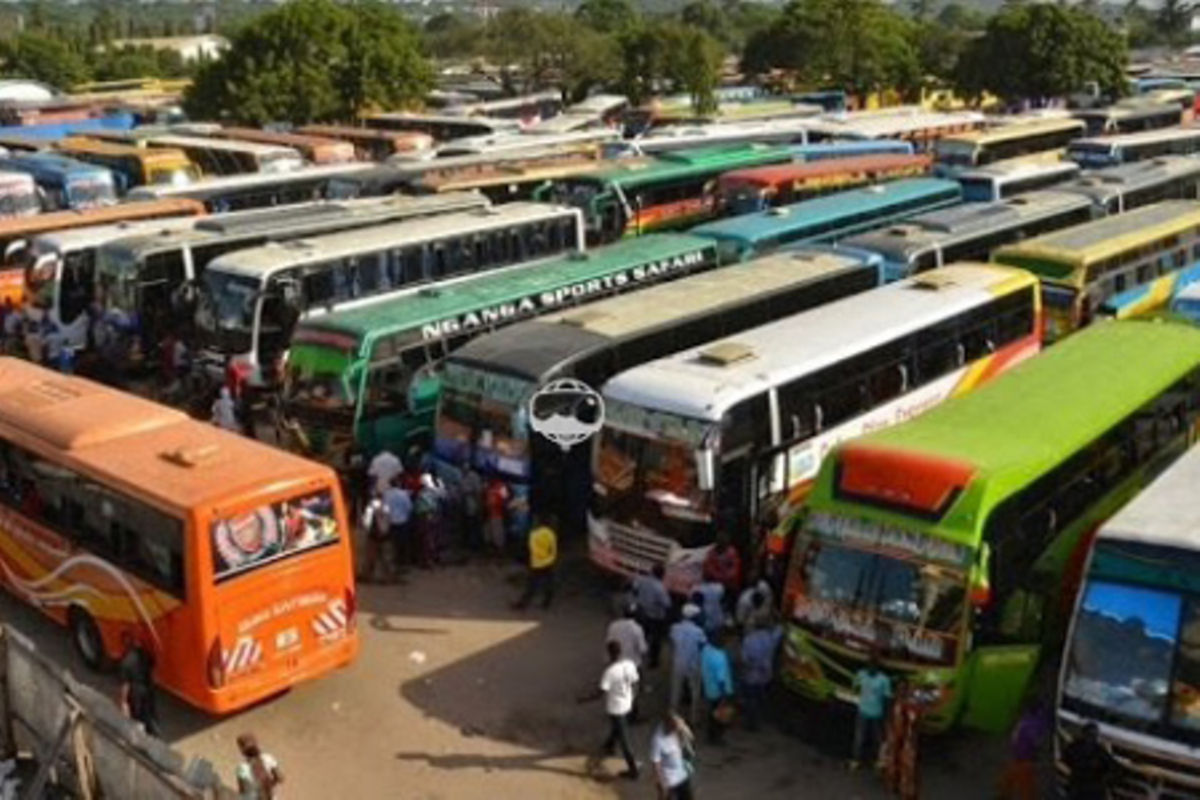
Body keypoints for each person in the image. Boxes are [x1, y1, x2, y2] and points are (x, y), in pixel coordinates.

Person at [597, 640, 640, 780]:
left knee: (624, 739)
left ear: (609, 653)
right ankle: (608, 745)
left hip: (616, 708)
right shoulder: (629, 664)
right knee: (617, 728)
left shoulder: (610, 672)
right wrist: (632, 697)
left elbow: (600, 692)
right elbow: (635, 682)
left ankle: (633, 770)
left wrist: (583, 699)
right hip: (627, 704)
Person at [998, 700, 1050, 800]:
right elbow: (1037, 741)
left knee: (1011, 777)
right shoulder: (1035, 724)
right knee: (1026, 783)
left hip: (1018, 754)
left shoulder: (1024, 721)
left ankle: (1003, 795)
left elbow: (1014, 737)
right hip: (1026, 757)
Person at [851, 656, 893, 769]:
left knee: (877, 739)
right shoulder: (861, 674)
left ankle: (878, 760)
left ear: (878, 668)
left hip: (877, 714)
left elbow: (887, 698)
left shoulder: (884, 680)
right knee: (859, 737)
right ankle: (856, 759)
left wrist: (887, 715)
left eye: (873, 666)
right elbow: (854, 687)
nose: (871, 669)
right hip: (863, 711)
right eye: (869, 666)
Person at [740, 621, 783, 731]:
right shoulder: (770, 638)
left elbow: (744, 659)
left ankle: (750, 722)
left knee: (750, 699)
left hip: (751, 674)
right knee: (760, 699)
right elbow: (779, 631)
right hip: (765, 675)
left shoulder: (748, 639)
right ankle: (757, 721)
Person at [668, 604, 707, 724]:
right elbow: (703, 646)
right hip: (693, 664)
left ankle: (672, 716)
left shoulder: (674, 628)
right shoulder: (699, 631)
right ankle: (694, 718)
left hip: (678, 662)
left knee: (676, 691)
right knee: (695, 692)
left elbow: (672, 644)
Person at [117, 631, 160, 737]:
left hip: (136, 693)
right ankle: (155, 733)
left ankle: (144, 738)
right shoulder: (143, 654)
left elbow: (125, 685)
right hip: (148, 688)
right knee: (150, 712)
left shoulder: (125, 662)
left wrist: (123, 702)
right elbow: (152, 664)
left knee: (139, 717)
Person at [630, 564, 671, 669]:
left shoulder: (642, 580)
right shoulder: (660, 588)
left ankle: (636, 654)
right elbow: (667, 604)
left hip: (642, 612)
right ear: (662, 575)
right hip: (655, 616)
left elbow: (634, 588)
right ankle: (653, 661)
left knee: (642, 634)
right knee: (656, 639)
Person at [1063, 722, 1117, 800]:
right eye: (1089, 735)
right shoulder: (1075, 747)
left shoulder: (1100, 752)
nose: (1090, 739)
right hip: (1080, 787)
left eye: (1093, 735)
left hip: (1092, 789)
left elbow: (1112, 769)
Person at [513, 514, 557, 610]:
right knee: (549, 582)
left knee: (532, 584)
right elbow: (553, 548)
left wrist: (526, 560)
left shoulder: (534, 534)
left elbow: (529, 549)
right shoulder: (550, 533)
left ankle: (522, 604)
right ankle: (547, 602)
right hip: (549, 561)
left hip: (536, 562)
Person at [651, 710, 696, 800]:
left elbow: (691, 738)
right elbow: (656, 764)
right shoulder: (658, 740)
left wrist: (684, 729)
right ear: (667, 725)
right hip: (669, 780)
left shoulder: (678, 728)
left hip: (682, 775)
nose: (675, 731)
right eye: (674, 728)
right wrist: (661, 782)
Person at [700, 630, 735, 744]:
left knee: (712, 713)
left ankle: (711, 735)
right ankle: (716, 738)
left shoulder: (706, 650)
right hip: (719, 691)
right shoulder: (720, 657)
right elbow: (721, 680)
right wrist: (724, 696)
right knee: (720, 716)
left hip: (708, 687)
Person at [358, 488, 395, 583]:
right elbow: (390, 519)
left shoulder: (370, 507)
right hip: (385, 535)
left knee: (370, 557)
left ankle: (368, 576)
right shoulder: (386, 506)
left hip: (373, 535)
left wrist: (366, 530)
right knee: (386, 557)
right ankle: (388, 577)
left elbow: (366, 522)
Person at [235, 733, 283, 799]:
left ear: (242, 751)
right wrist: (269, 784)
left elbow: (242, 790)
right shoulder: (268, 758)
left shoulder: (241, 768)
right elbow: (280, 777)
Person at [383, 475, 413, 570]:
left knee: (392, 544)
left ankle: (392, 563)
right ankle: (403, 563)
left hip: (390, 522)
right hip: (402, 521)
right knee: (403, 544)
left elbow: (384, 508)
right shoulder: (404, 494)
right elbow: (409, 507)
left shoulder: (386, 494)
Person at [702, 535, 743, 601]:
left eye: (723, 542)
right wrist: (717, 576)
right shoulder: (712, 553)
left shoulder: (732, 553)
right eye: (719, 541)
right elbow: (708, 567)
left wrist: (724, 577)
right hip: (715, 584)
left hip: (729, 585)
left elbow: (734, 570)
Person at [460, 463, 484, 552]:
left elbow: (478, 491)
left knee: (474, 524)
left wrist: (479, 504)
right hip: (465, 503)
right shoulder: (463, 476)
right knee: (468, 524)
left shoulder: (473, 476)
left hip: (472, 503)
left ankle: (475, 545)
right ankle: (469, 543)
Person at [483, 476, 510, 556]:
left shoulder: (501, 486)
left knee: (498, 531)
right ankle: (491, 548)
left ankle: (500, 549)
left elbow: (506, 499)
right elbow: (484, 497)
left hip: (498, 513)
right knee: (489, 531)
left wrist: (504, 509)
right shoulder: (488, 487)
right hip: (489, 513)